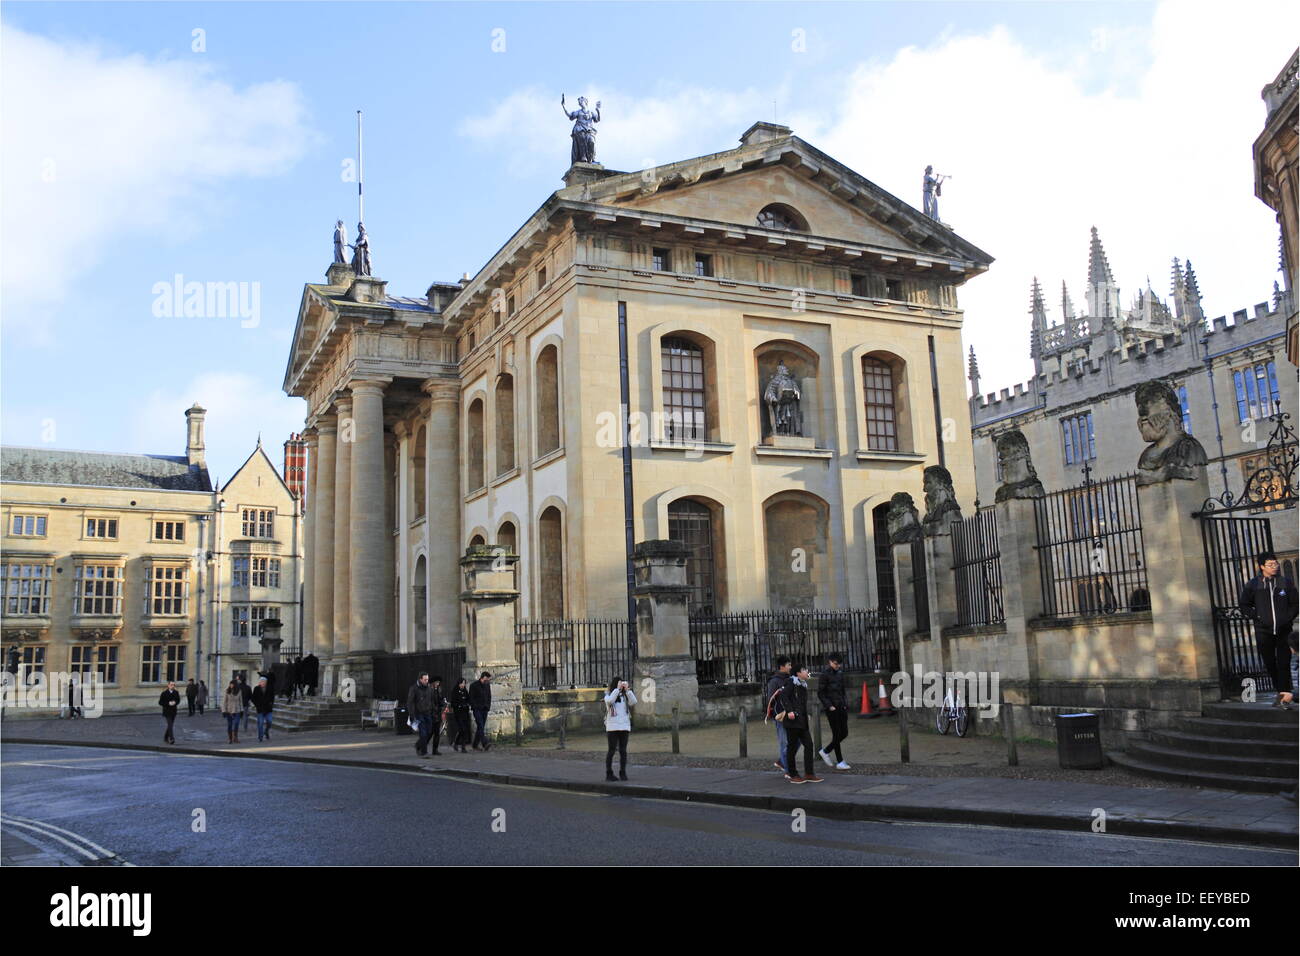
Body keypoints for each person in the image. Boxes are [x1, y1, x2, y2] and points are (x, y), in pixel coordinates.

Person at [1237, 551, 1299, 706]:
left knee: (1284, 663)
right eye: (1271, 565)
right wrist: (1257, 616)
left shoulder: (1285, 583)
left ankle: (1285, 695)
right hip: (1263, 631)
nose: (1275, 567)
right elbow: (1244, 604)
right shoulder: (1253, 584)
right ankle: (1280, 692)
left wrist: (1288, 617)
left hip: (1284, 630)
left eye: (1276, 564)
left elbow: (1295, 603)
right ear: (1262, 567)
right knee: (1270, 663)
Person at [777, 664, 823, 784]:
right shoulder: (791, 682)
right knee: (792, 748)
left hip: (801, 721)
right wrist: (789, 710)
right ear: (798, 673)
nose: (807, 671)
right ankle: (793, 774)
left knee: (809, 745)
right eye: (804, 670)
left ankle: (809, 773)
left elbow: (801, 703)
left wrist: (805, 714)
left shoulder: (802, 685)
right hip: (792, 721)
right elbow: (783, 695)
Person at [816, 653, 851, 770]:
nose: (838, 666)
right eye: (836, 664)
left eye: (839, 664)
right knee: (837, 734)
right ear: (830, 662)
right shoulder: (824, 675)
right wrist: (829, 706)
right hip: (832, 708)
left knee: (844, 733)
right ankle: (840, 761)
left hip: (841, 706)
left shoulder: (840, 673)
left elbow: (842, 690)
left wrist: (845, 704)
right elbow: (820, 693)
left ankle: (825, 751)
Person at [602, 676, 637, 781]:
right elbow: (610, 701)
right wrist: (617, 689)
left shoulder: (625, 696)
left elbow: (634, 702)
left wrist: (628, 691)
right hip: (612, 727)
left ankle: (623, 772)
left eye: (621, 684)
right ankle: (609, 773)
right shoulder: (608, 695)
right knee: (611, 751)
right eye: (619, 684)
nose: (621, 686)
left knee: (623, 751)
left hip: (624, 726)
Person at [764, 656, 793, 773]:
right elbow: (770, 700)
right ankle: (787, 769)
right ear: (782, 666)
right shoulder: (774, 681)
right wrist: (776, 714)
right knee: (784, 741)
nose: (790, 667)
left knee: (796, 740)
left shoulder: (790, 678)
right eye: (789, 665)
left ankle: (783, 761)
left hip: (790, 713)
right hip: (780, 715)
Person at [407, 672, 440, 758]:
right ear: (420, 679)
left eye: (427, 679)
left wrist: (434, 711)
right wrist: (412, 715)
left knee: (429, 731)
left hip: (428, 713)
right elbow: (410, 702)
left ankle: (418, 745)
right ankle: (424, 752)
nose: (427, 681)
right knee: (423, 733)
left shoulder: (429, 688)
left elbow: (432, 701)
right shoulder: (414, 688)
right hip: (419, 713)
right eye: (425, 679)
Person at [469, 671, 492, 751]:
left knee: (480, 727)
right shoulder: (473, 685)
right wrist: (475, 707)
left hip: (485, 709)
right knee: (481, 725)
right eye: (487, 678)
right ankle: (485, 743)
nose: (488, 680)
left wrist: (488, 706)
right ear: (484, 677)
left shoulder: (487, 685)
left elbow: (489, 696)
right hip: (477, 709)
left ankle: (475, 745)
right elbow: (471, 698)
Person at [450, 677, 472, 753]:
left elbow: (468, 699)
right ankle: (459, 745)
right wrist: (459, 705)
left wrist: (467, 704)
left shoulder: (465, 691)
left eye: (464, 683)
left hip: (465, 713)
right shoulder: (455, 691)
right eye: (461, 683)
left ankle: (460, 745)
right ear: (458, 683)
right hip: (458, 713)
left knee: (464, 730)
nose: (463, 685)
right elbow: (453, 702)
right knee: (461, 729)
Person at [251, 676, 275, 742]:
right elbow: (253, 698)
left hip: (268, 709)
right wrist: (257, 705)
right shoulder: (256, 688)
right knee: (260, 723)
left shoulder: (270, 688)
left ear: (266, 682)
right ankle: (260, 737)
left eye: (264, 682)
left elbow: (272, 697)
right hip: (260, 709)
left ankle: (266, 731)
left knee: (270, 721)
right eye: (261, 681)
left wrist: (271, 704)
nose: (263, 683)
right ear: (259, 682)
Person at [159, 680, 181, 745]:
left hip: (174, 711)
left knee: (170, 725)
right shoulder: (164, 693)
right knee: (170, 725)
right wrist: (168, 703)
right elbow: (160, 702)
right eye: (171, 685)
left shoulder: (176, 692)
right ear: (168, 685)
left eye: (174, 685)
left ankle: (165, 737)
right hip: (167, 711)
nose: (173, 686)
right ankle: (171, 738)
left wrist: (175, 702)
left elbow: (178, 700)